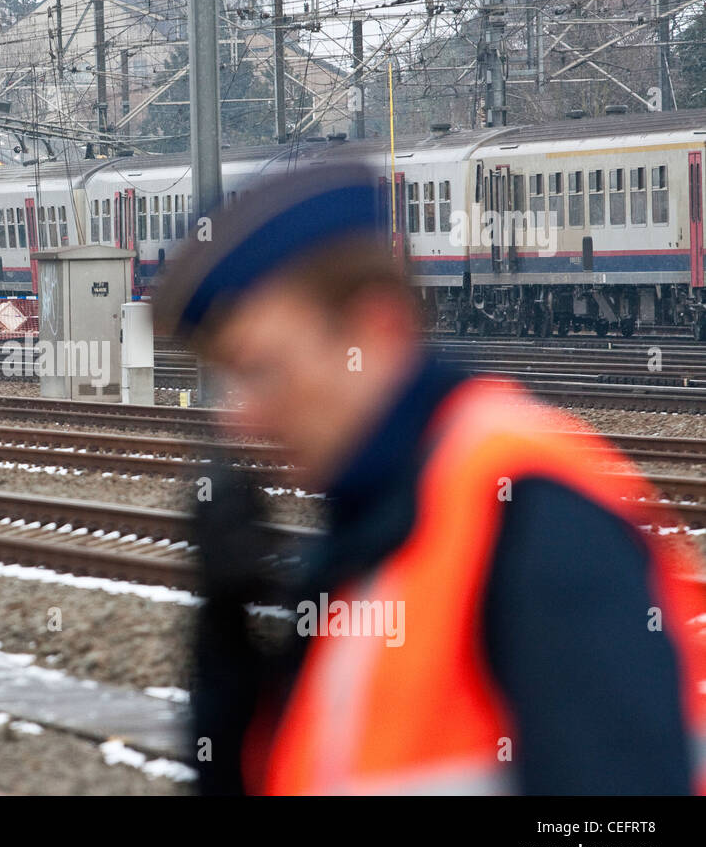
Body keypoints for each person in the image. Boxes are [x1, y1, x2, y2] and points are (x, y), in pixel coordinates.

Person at [154, 160, 706, 795]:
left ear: (375, 327)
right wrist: (228, 651)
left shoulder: (528, 510)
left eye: (260, 370)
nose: (239, 418)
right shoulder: (382, 521)